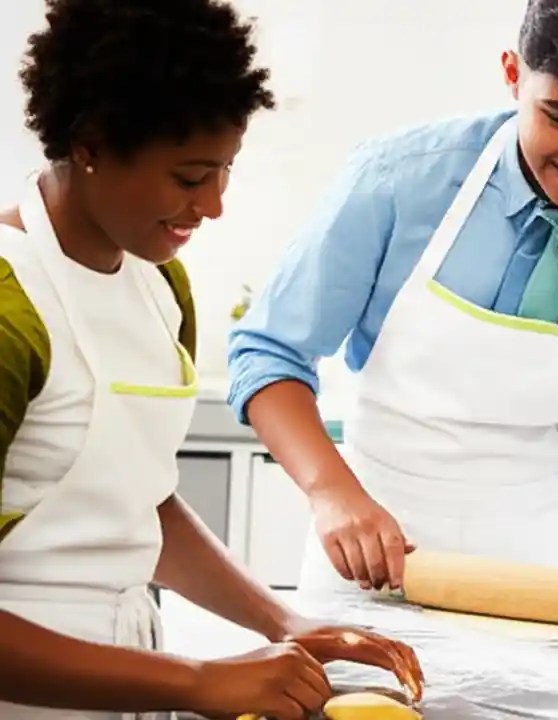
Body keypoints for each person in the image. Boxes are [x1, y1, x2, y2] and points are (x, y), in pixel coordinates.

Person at [227, 0, 558, 624]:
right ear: (514, 74)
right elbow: (269, 354)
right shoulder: (398, 181)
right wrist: (332, 494)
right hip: (368, 549)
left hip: (537, 570)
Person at [0, 2, 425, 718]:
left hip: (131, 678)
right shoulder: (13, 307)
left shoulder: (157, 284)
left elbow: (138, 500)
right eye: (191, 177)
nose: (215, 206)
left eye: (225, 170)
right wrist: (197, 680)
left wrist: (283, 622)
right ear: (93, 143)